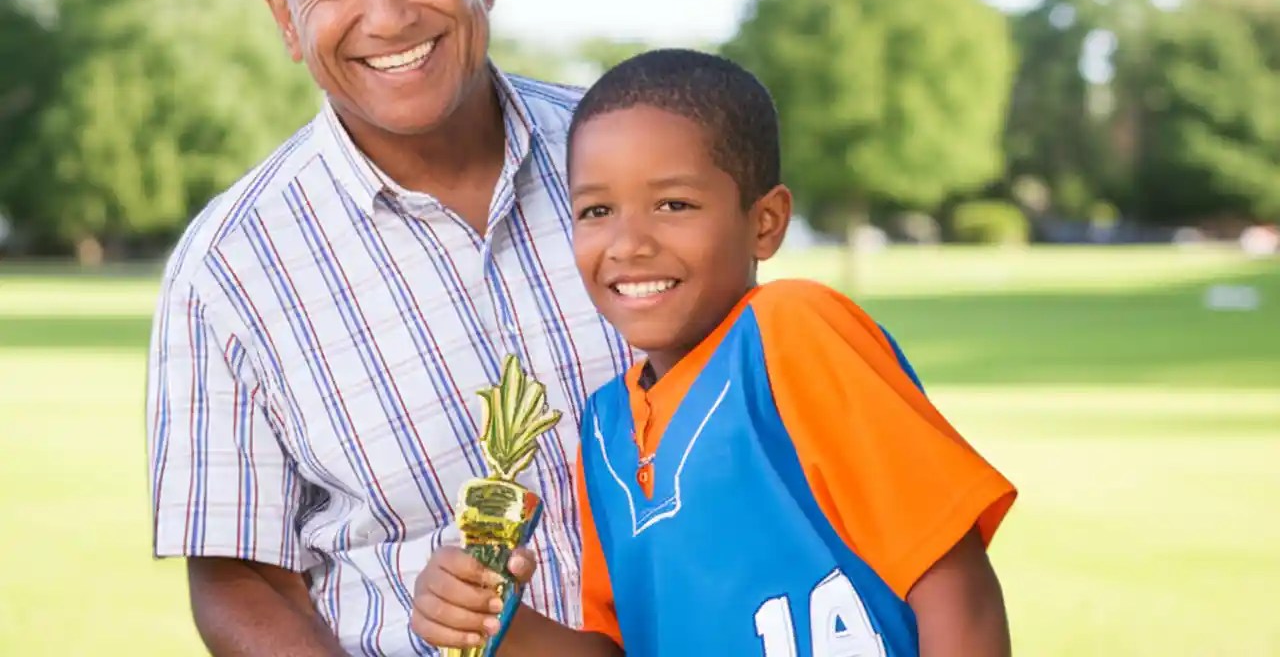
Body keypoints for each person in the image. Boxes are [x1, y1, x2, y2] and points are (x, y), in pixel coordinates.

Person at [412, 49, 1018, 656]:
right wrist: (496, 623)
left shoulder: (794, 332)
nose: (629, 243)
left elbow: (954, 586)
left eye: (673, 204)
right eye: (596, 210)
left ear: (765, 222)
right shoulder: (604, 431)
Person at [144, 0, 632, 654]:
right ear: (285, 17)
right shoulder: (226, 272)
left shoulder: (633, 152)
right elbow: (241, 580)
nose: (389, 13)